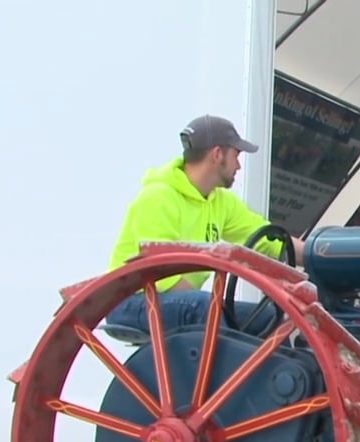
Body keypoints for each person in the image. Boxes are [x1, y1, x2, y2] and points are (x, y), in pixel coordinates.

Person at [104, 115, 305, 335]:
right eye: (236, 155)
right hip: (131, 301)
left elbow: (267, 239)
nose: (238, 165)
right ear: (217, 154)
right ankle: (232, 368)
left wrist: (317, 256)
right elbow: (162, 278)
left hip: (177, 300)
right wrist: (223, 316)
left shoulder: (221, 201)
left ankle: (282, 371)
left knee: (269, 318)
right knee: (204, 307)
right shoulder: (159, 197)